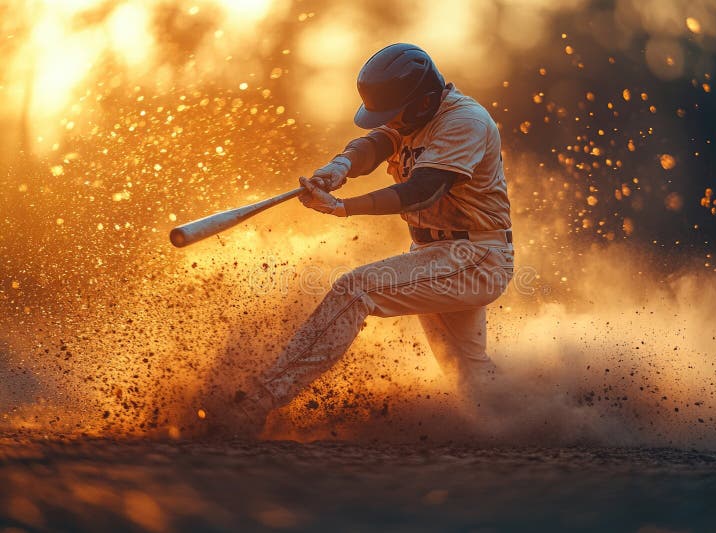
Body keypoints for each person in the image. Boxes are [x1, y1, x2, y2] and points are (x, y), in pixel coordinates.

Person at [199, 43, 514, 438]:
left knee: (355, 289)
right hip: (439, 252)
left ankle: (261, 398)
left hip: (475, 256)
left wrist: (342, 207)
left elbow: (422, 190)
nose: (389, 123)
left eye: (393, 114)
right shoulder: (413, 117)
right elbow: (376, 142)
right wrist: (340, 166)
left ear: (423, 101)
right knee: (472, 379)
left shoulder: (465, 121)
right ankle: (541, 419)